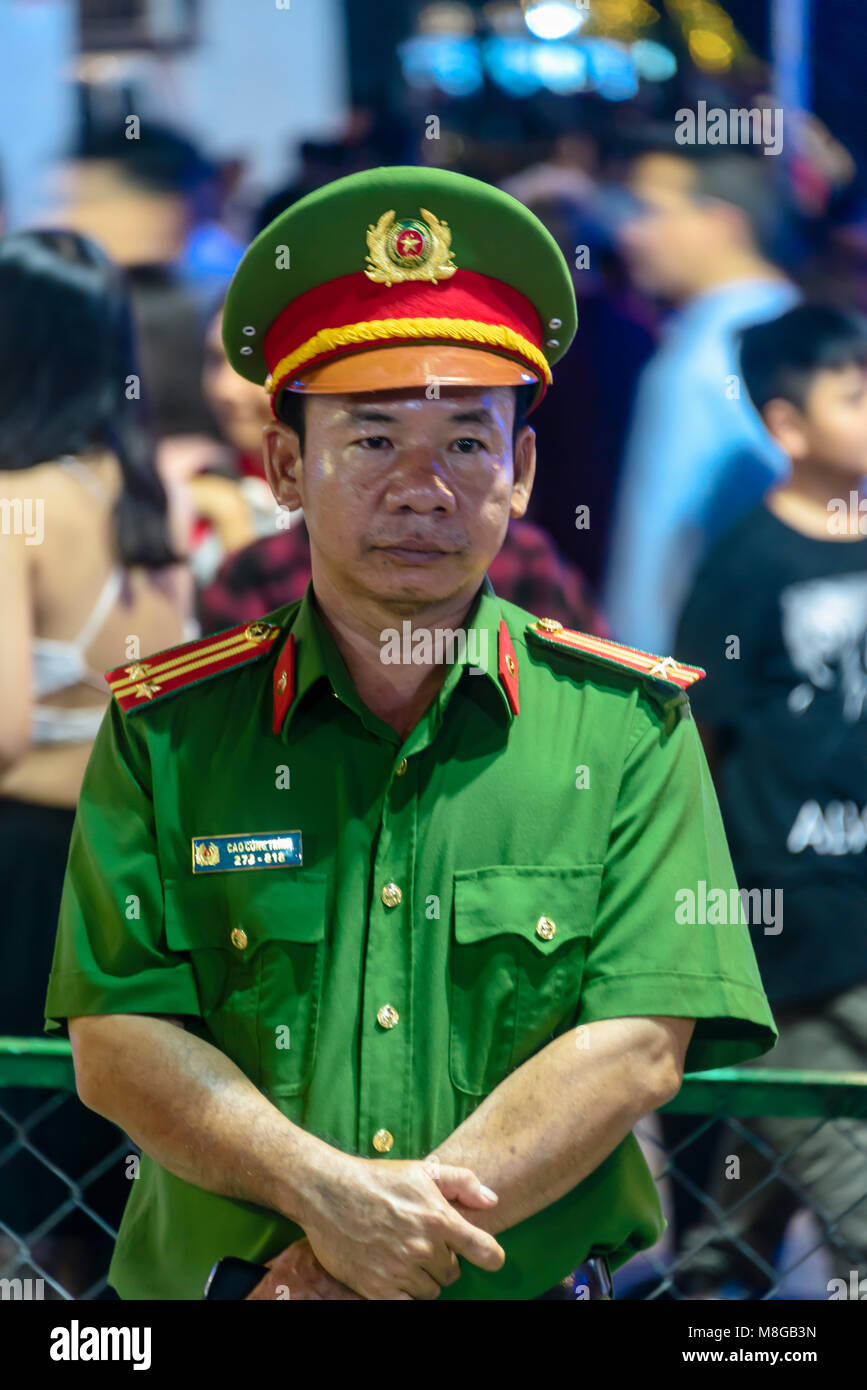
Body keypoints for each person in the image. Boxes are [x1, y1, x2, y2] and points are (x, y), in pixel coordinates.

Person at [45, 166, 777, 1302]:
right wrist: (330, 1200)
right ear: (286, 465)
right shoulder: (166, 732)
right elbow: (119, 1036)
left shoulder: (628, 726)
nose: (423, 487)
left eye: (469, 443)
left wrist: (363, 1253)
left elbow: (638, 1040)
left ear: (523, 472)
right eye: (373, 438)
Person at [0, 229, 191, 1292]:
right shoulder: (140, 491)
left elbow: (3, 732)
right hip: (133, 861)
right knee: (101, 1151)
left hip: (27, 870)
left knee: (22, 1181)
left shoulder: (11, 503)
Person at [673, 304, 867, 1295]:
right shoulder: (744, 566)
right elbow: (691, 745)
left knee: (737, 1233)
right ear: (787, 425)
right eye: (853, 393)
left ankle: (708, 1300)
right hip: (782, 939)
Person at [603, 142, 800, 657]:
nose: (630, 233)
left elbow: (655, 560)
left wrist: (635, 695)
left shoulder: (700, 363)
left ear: (721, 223)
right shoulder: (816, 334)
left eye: (651, 212)